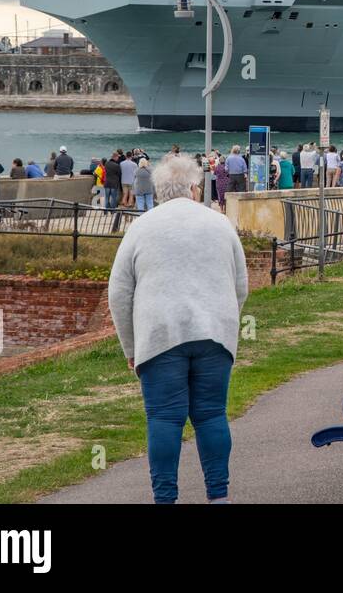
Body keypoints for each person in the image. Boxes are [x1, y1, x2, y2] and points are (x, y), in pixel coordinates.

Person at [108, 154, 249, 504]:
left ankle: (165, 498)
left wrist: (131, 347)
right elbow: (241, 285)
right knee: (212, 414)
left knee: (164, 420)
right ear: (195, 187)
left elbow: (119, 293)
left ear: (157, 192)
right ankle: (219, 496)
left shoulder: (142, 227)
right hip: (214, 333)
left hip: (159, 336)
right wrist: (226, 322)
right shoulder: (219, 224)